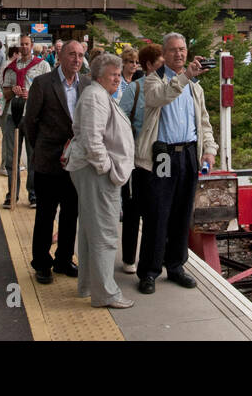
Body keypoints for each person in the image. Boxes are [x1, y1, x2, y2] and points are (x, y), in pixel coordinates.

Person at [135, 33, 217, 295]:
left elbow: (203, 122)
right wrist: (185, 76)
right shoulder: (152, 80)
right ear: (164, 53)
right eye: (173, 51)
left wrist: (210, 150)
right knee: (157, 212)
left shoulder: (195, 87)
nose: (179, 55)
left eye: (182, 49)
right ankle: (149, 271)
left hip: (188, 154)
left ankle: (176, 265)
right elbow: (160, 97)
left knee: (182, 214)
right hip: (162, 155)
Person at [65, 52, 135, 309]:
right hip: (97, 174)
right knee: (105, 233)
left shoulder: (97, 95)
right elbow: (94, 141)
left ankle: (87, 285)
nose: (118, 78)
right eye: (113, 74)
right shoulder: (96, 97)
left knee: (88, 231)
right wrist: (108, 169)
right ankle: (106, 293)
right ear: (99, 76)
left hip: (90, 171)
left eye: (119, 73)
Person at [22, 40, 87, 284]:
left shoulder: (87, 85)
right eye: (72, 54)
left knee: (71, 214)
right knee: (46, 214)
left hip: (76, 164)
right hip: (48, 161)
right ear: (60, 56)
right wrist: (41, 149)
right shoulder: (43, 83)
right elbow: (30, 122)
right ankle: (41, 262)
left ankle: (63, 259)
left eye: (81, 55)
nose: (77, 60)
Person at [118, 45, 159, 274]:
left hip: (160, 160)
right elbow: (121, 122)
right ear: (150, 65)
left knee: (155, 210)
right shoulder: (134, 90)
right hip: (135, 159)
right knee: (133, 209)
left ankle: (152, 258)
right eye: (160, 63)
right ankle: (128, 257)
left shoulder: (168, 88)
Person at [1, 35, 50, 207]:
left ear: (32, 45)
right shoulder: (10, 68)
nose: (24, 47)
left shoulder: (43, 66)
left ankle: (34, 193)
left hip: (32, 116)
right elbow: (5, 94)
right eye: (21, 44)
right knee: (11, 157)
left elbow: (48, 92)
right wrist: (13, 91)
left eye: (27, 44)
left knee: (33, 157)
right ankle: (12, 194)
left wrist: (33, 95)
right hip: (12, 116)